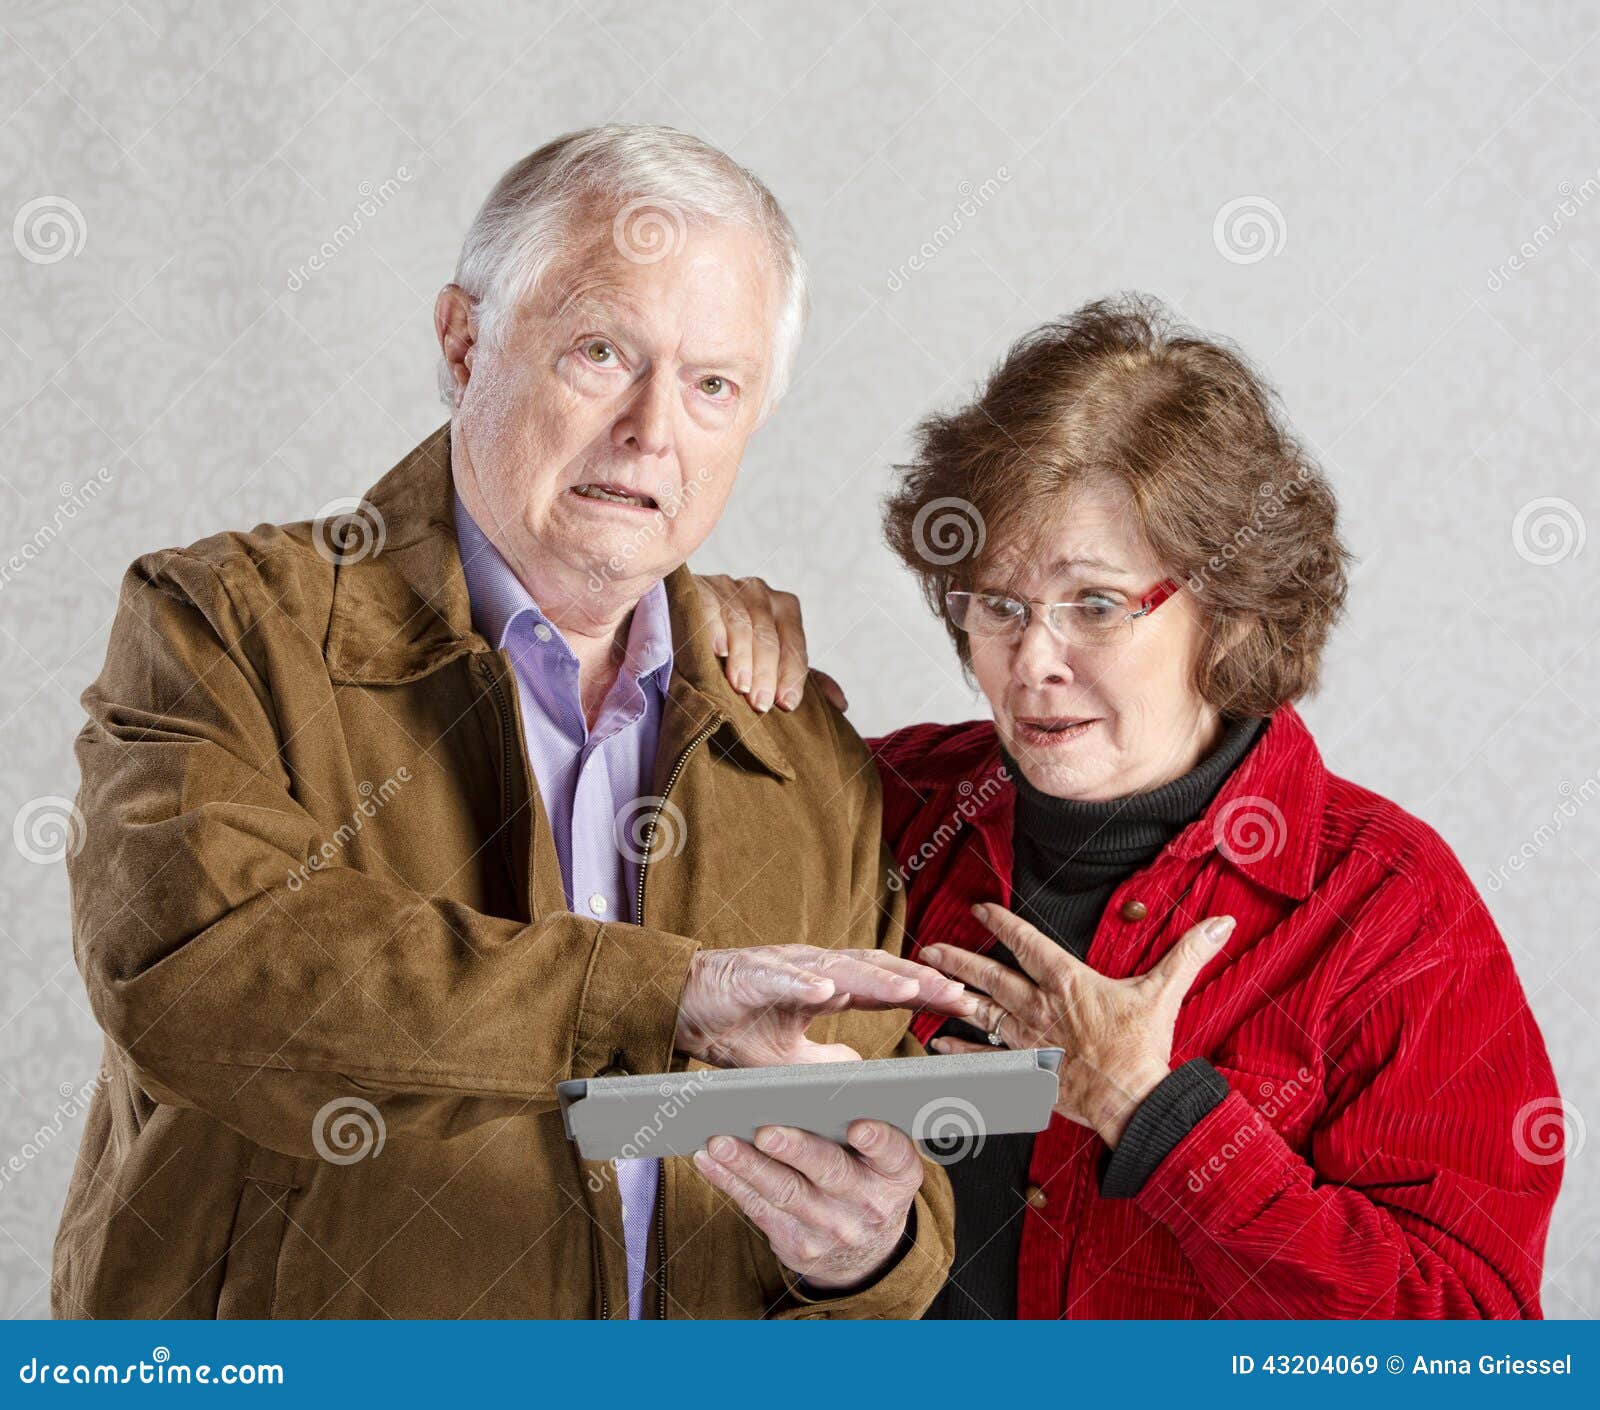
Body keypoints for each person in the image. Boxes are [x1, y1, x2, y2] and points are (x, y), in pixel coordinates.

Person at [53, 124, 976, 1321]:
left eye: (713, 385)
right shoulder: (229, 626)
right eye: (601, 351)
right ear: (462, 339)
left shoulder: (802, 754)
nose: (653, 429)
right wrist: (660, 995)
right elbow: (190, 972)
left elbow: (877, 1160)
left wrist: (863, 1252)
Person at [696, 295, 1565, 1318]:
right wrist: (663, 642)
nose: (1031, 664)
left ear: (1230, 605)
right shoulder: (874, 808)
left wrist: (1154, 1117)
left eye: (1094, 606)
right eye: (997, 605)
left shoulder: (1387, 906)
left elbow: (1470, 1348)